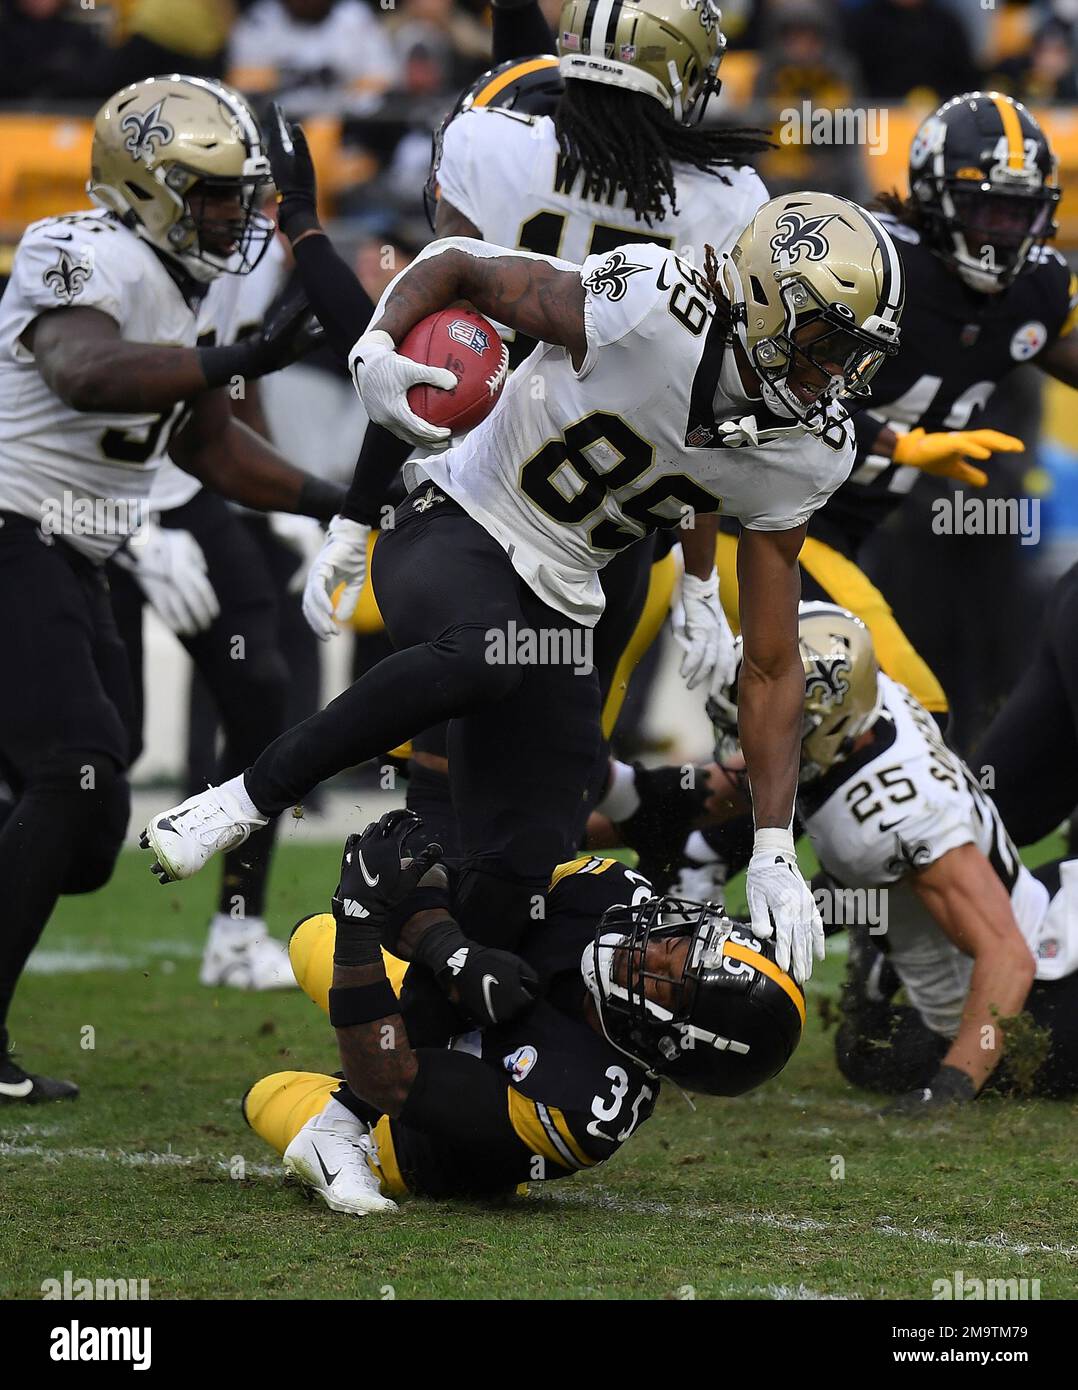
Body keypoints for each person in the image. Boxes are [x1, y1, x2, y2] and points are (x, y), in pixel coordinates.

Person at [143, 105, 907, 985]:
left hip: (567, 585)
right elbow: (461, 264)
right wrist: (379, 350)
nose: (835, 377)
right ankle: (242, 798)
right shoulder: (651, 306)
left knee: (522, 864)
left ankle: (397, 1075)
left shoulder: (810, 444)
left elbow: (770, 660)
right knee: (480, 659)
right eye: (822, 344)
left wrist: (774, 842)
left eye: (856, 356)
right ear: (766, 303)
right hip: (457, 509)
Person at [0, 75, 345, 1101]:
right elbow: (88, 373)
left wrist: (342, 501)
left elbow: (211, 449)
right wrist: (240, 352)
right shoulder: (79, 249)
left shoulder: (182, 275)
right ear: (144, 187)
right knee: (75, 772)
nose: (232, 214)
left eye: (240, 194)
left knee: (92, 831)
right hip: (16, 527)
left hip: (79, 551)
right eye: (211, 193)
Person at [713, 92, 1078, 727]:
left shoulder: (1040, 290)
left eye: (1019, 214)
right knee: (911, 712)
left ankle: (697, 827)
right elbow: (770, 381)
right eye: (985, 207)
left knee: (823, 736)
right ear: (934, 197)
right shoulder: (873, 265)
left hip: (839, 530)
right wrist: (897, 444)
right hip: (753, 516)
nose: (1000, 235)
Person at [243, 810, 805, 1213]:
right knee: (311, 938)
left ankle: (337, 1125)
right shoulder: (609, 892)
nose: (651, 945)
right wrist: (445, 948)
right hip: (445, 1003)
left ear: (673, 1043)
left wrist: (361, 934)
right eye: (678, 939)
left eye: (670, 977)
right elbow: (455, 885)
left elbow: (388, 1080)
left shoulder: (590, 1105)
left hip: (418, 1130)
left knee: (267, 1096)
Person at [706, 603, 1078, 1106]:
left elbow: (1008, 957)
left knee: (869, 1052)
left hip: (1031, 993)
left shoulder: (892, 817)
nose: (752, 737)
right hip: (1035, 902)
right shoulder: (870, 704)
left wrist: (950, 1089)